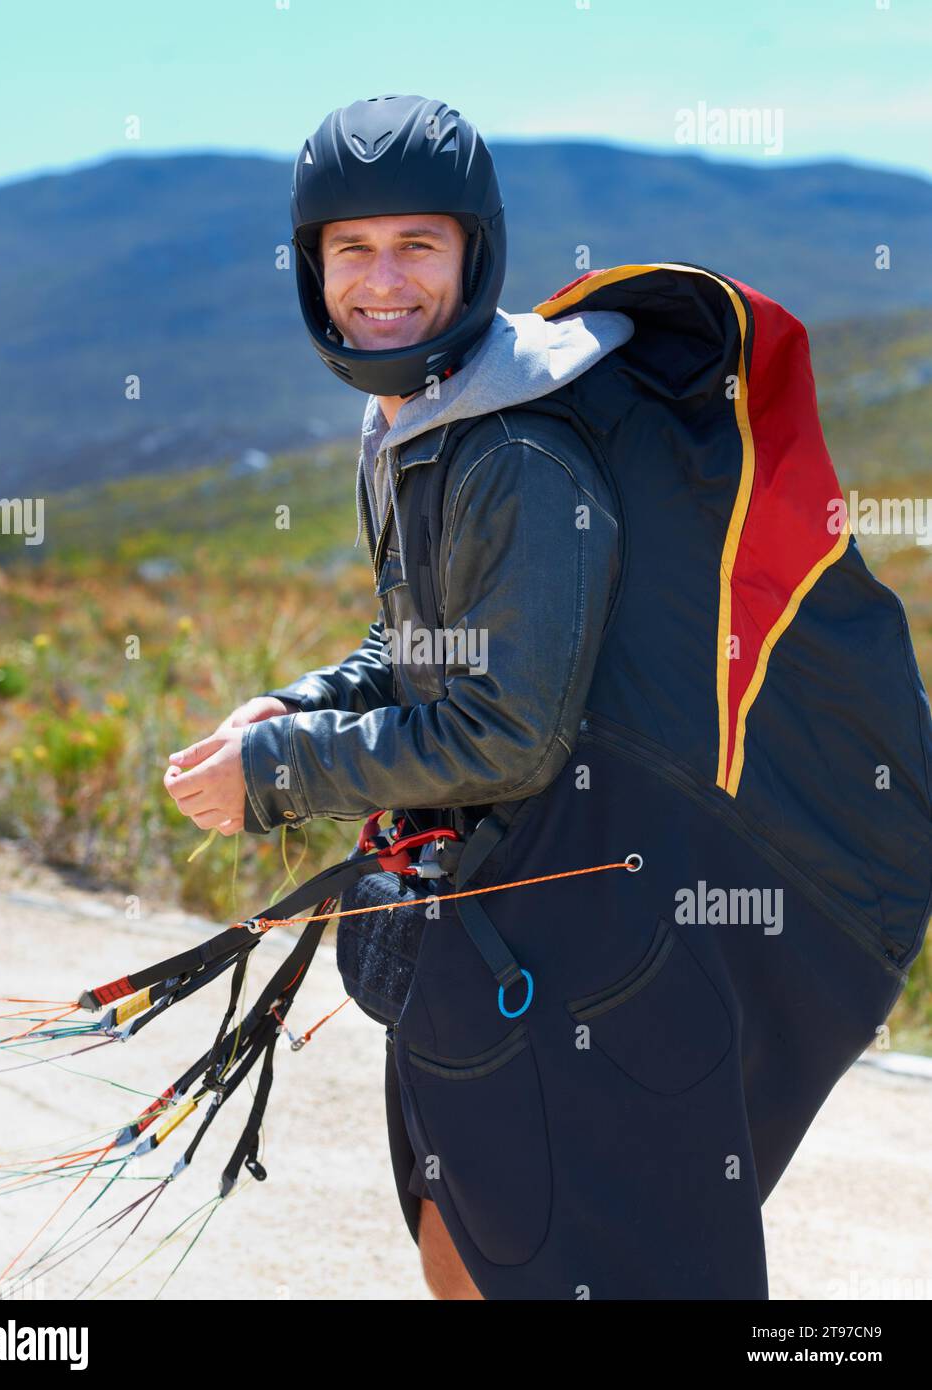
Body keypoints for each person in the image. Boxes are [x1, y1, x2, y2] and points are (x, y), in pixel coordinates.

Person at [164, 94, 932, 1301]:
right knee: (471, 1240)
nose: (382, 281)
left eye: (417, 245)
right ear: (309, 266)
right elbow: (428, 635)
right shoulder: (423, 418)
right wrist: (298, 702)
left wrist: (280, 776)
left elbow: (505, 731)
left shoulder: (514, 451)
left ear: (476, 254)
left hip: (594, 941)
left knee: (547, 1258)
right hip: (524, 913)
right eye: (349, 250)